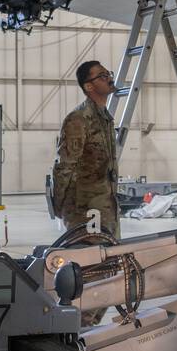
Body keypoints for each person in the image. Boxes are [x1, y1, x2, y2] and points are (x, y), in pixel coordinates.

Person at [50, 60, 120, 326]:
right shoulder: (78, 120)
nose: (108, 78)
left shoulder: (104, 117)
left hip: (105, 207)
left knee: (109, 268)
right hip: (85, 210)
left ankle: (83, 325)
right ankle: (77, 326)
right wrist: (60, 207)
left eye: (108, 73)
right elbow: (63, 166)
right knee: (92, 271)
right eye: (102, 76)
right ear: (89, 87)